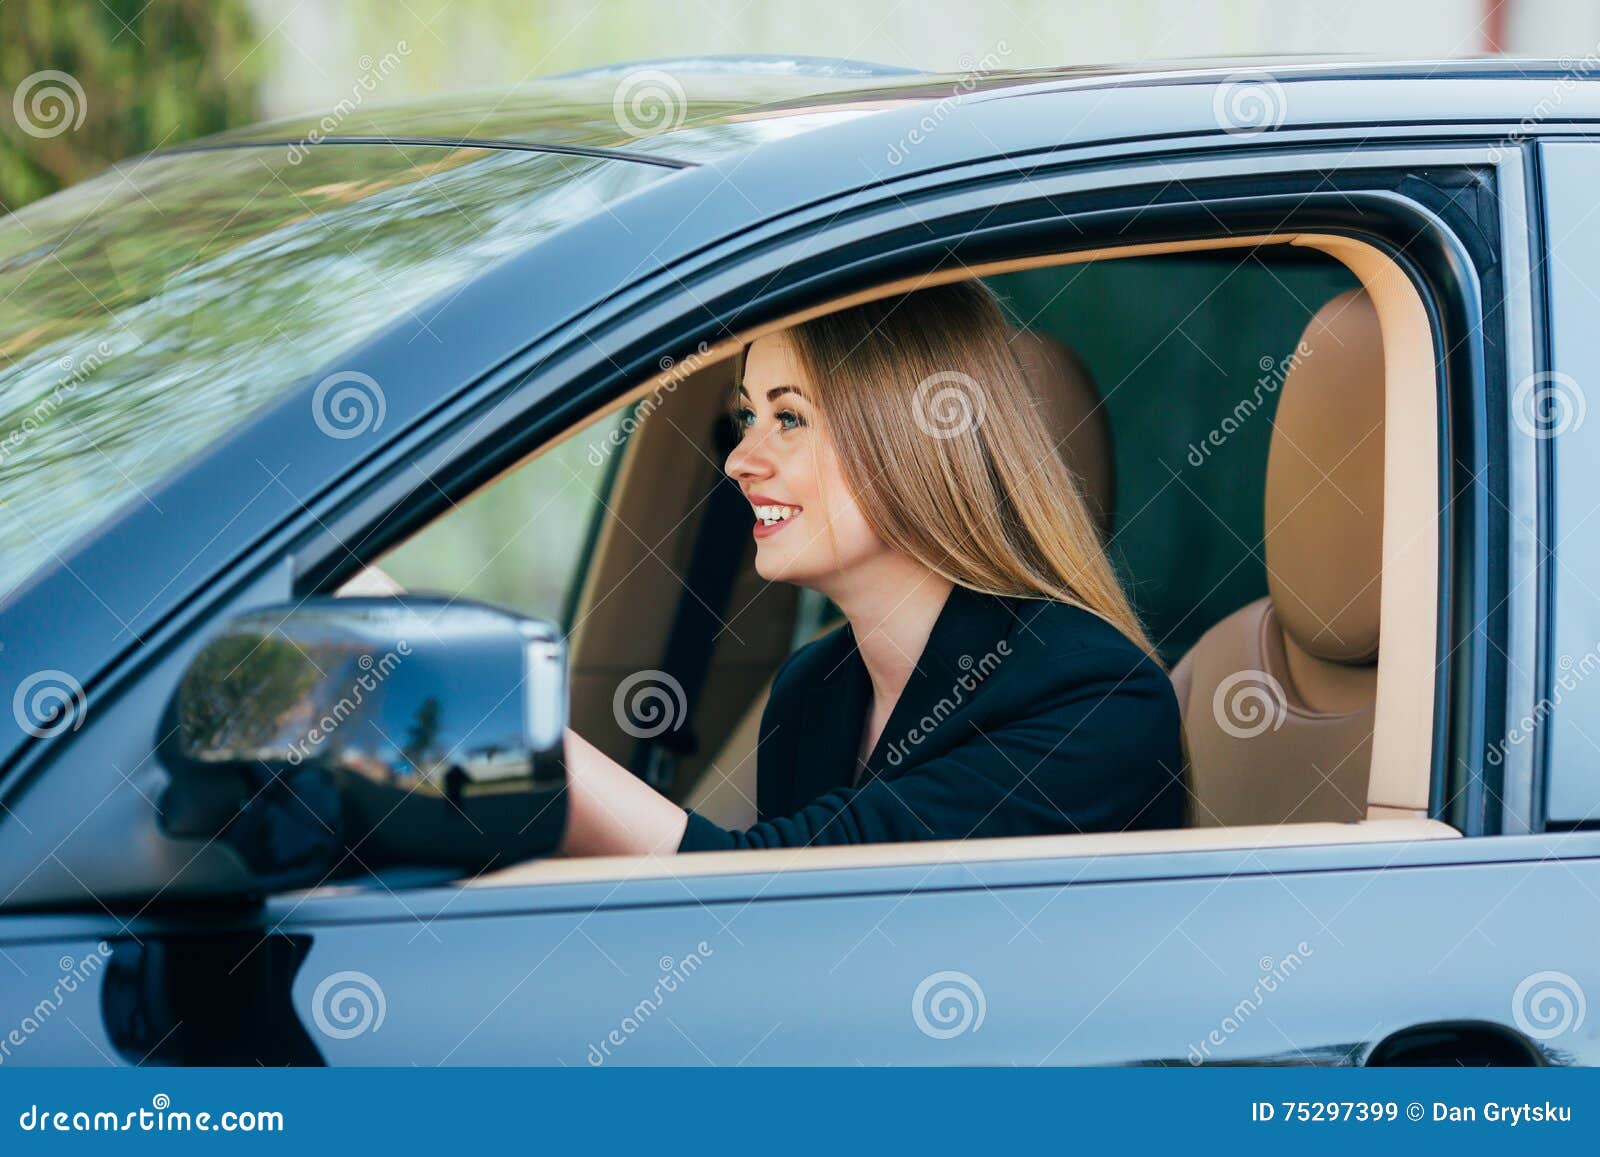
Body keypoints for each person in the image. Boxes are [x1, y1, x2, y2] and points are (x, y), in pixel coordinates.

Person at [559, 278, 1186, 856]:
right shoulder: (814, 689)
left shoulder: (1097, 702)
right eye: (748, 417)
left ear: (910, 441)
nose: (739, 461)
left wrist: (531, 754)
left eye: (790, 418)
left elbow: (774, 900)